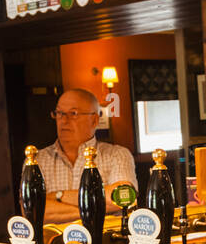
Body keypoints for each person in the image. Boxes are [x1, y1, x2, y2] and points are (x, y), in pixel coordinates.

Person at [37, 88, 138, 223]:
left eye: (73, 113)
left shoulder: (117, 155)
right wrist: (96, 210)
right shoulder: (38, 160)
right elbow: (33, 209)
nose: (64, 120)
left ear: (94, 120)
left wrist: (58, 196)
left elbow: (121, 199)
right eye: (59, 113)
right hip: (54, 242)